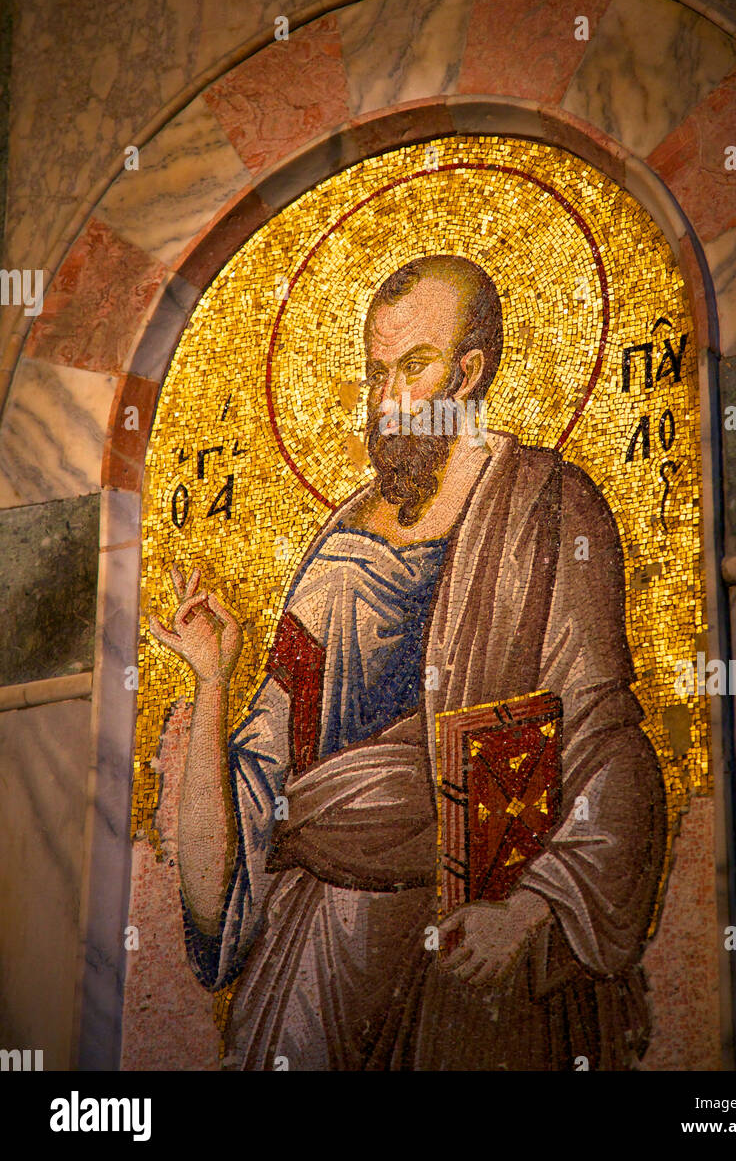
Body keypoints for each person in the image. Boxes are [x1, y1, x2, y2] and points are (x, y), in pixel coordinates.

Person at [150, 254, 666, 1070]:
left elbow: (605, 743)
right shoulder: (340, 551)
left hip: (468, 942)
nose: (387, 399)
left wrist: (534, 908)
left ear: (468, 371)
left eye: (413, 367)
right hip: (315, 950)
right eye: (374, 372)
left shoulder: (546, 509)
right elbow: (264, 782)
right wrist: (213, 683)